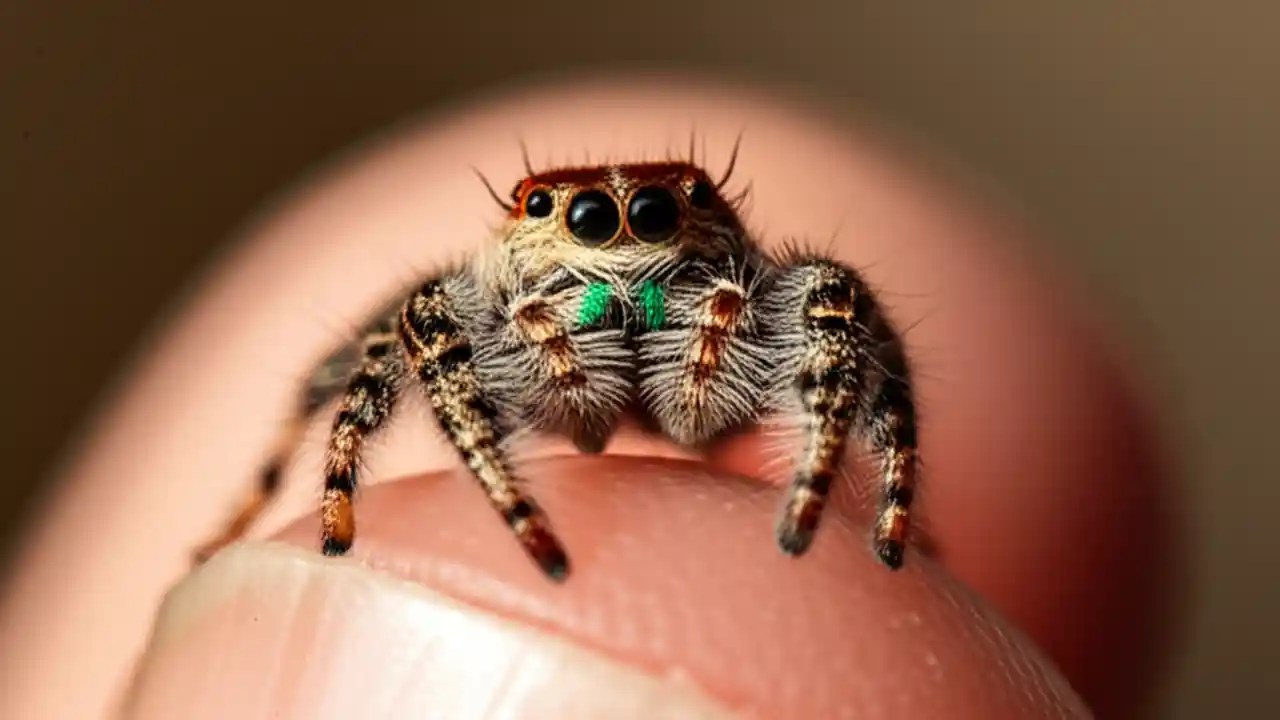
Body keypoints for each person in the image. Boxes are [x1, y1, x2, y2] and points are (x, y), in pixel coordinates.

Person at [0, 78, 1177, 719]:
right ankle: (348, 491)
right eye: (573, 229)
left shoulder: (738, 298)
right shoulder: (490, 307)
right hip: (528, 399)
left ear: (700, 224)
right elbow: (396, 350)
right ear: (525, 233)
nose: (619, 257)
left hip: (717, 399)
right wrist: (424, 493)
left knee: (833, 293)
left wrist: (853, 483)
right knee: (408, 320)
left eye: (654, 224)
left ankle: (856, 490)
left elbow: (837, 324)